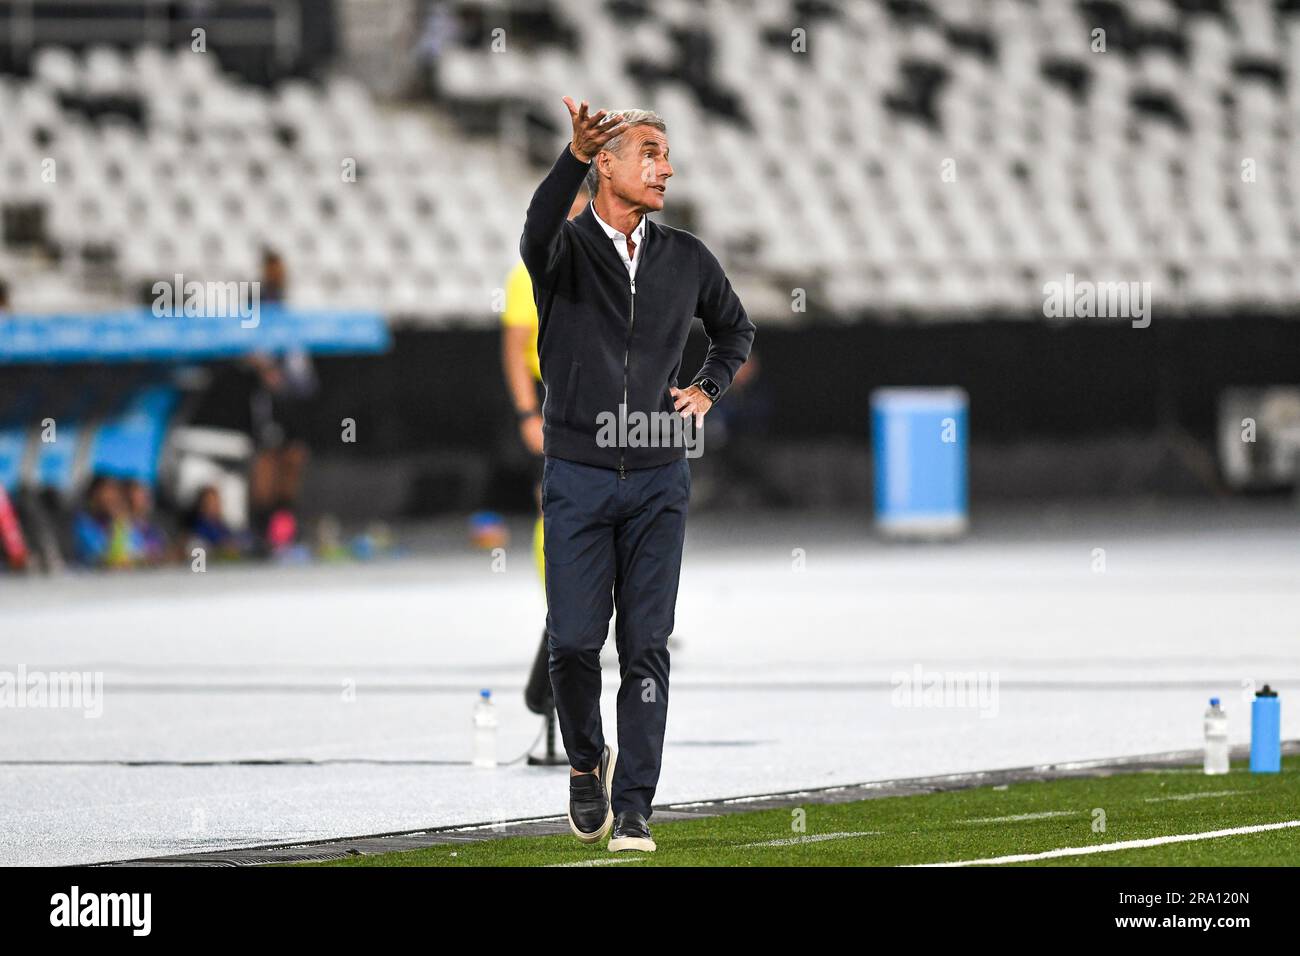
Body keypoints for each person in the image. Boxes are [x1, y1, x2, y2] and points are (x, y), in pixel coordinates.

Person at [520, 98, 755, 852]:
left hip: (658, 474)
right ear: (608, 164)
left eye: (667, 152)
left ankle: (637, 807)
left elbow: (735, 327)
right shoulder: (562, 252)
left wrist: (707, 387)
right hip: (578, 474)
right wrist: (570, 158)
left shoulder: (686, 257)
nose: (668, 166)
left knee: (647, 645)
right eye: (651, 151)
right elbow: (534, 228)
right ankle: (586, 760)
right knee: (573, 642)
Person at [502, 183, 590, 719]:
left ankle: (575, 608)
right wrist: (525, 412)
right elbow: (515, 349)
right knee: (552, 501)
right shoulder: (527, 272)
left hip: (589, 398)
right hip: (548, 397)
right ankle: (561, 607)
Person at [73, 474, 134, 568]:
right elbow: (105, 558)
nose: (112, 498)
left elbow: (135, 551)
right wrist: (118, 524)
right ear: (93, 495)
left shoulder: (120, 521)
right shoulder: (83, 524)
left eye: (115, 493)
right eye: (107, 492)